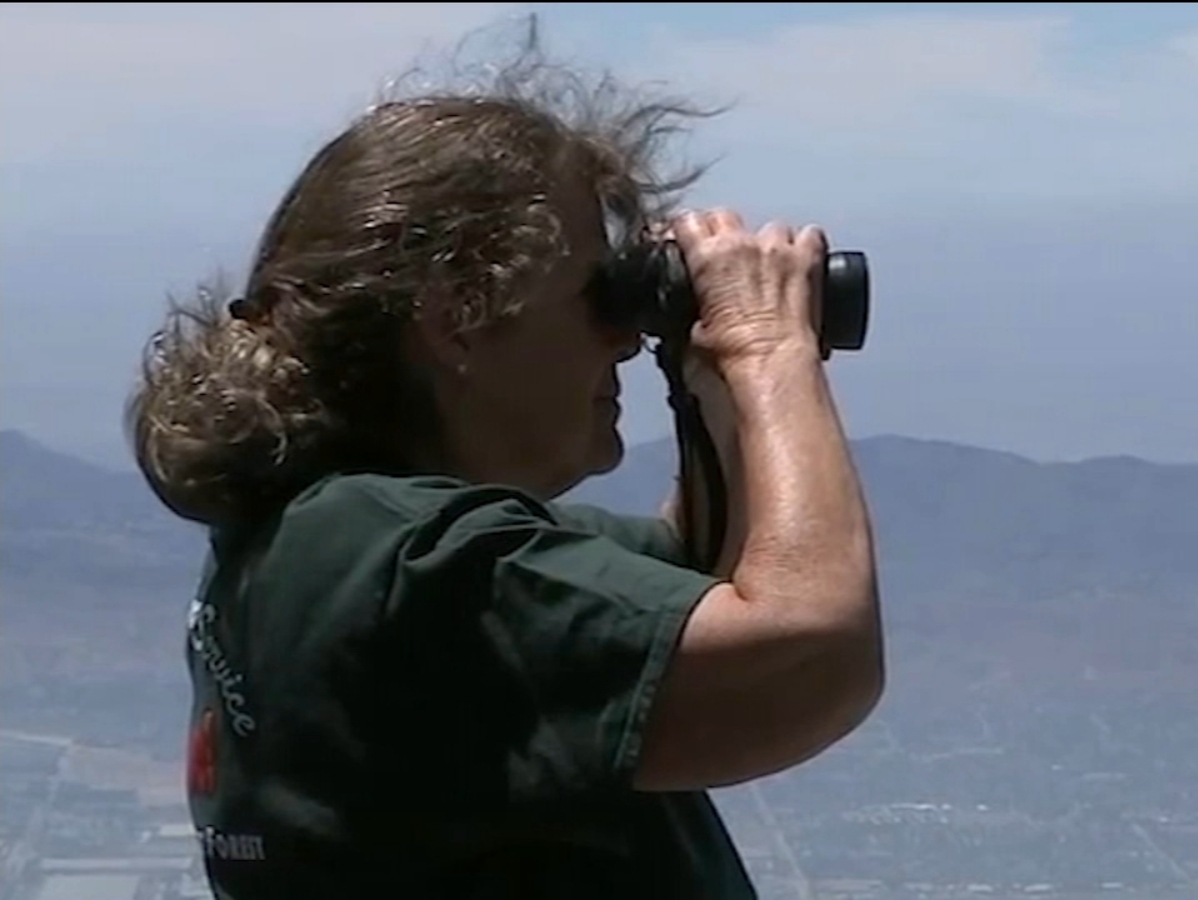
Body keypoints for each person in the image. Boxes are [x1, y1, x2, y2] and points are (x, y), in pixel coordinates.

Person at [126, 27, 883, 900]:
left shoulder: (323, 546)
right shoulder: (400, 563)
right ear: (459, 319)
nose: (626, 337)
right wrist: (763, 344)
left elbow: (704, 585)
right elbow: (807, 659)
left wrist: (709, 382)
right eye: (597, 297)